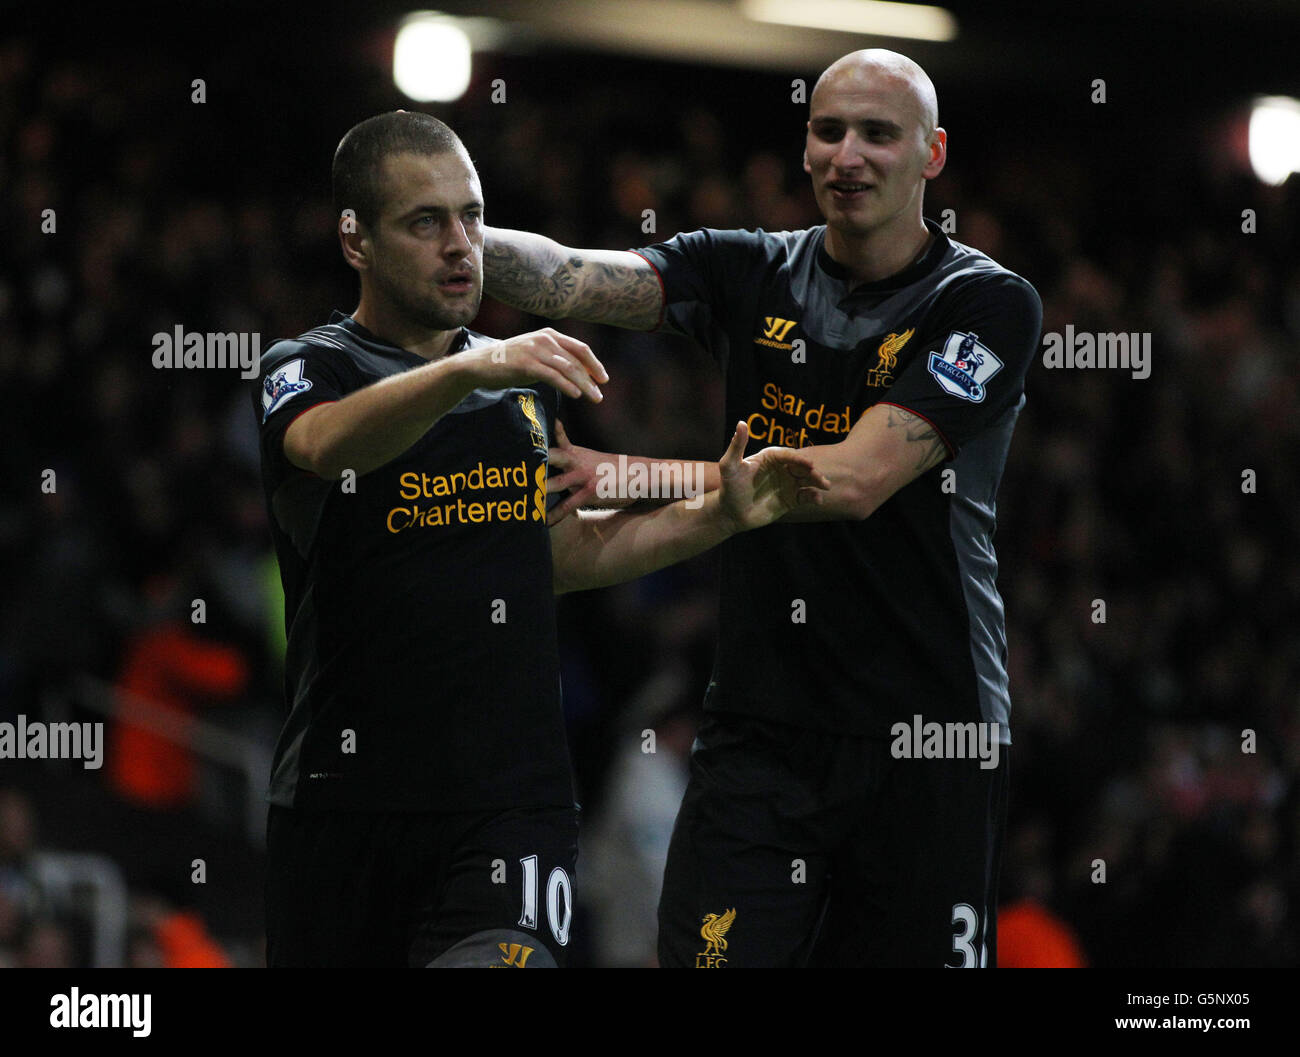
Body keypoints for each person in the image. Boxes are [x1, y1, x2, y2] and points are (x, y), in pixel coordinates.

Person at [483, 49, 1043, 967]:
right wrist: (451, 235)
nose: (848, 155)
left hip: (929, 733)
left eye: (877, 134)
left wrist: (633, 474)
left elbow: (853, 482)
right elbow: (573, 276)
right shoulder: (745, 269)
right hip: (761, 728)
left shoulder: (985, 306)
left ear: (931, 154)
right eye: (828, 131)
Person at [252, 111, 825, 968]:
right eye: (426, 222)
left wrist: (719, 513)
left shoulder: (517, 386)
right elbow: (327, 445)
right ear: (355, 239)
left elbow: (553, 556)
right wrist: (466, 367)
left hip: (509, 809)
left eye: (472, 217)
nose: (462, 245)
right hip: (343, 807)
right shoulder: (311, 369)